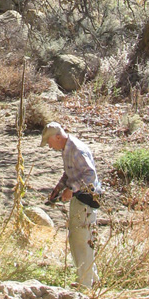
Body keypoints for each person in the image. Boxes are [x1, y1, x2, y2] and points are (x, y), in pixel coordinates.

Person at [41, 122, 101, 287]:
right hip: (79, 197)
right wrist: (59, 188)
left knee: (82, 240)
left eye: (50, 142)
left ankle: (86, 284)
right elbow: (70, 173)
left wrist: (71, 189)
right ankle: (91, 280)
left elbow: (90, 175)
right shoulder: (66, 149)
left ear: (58, 137)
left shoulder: (76, 149)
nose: (49, 146)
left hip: (86, 198)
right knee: (77, 238)